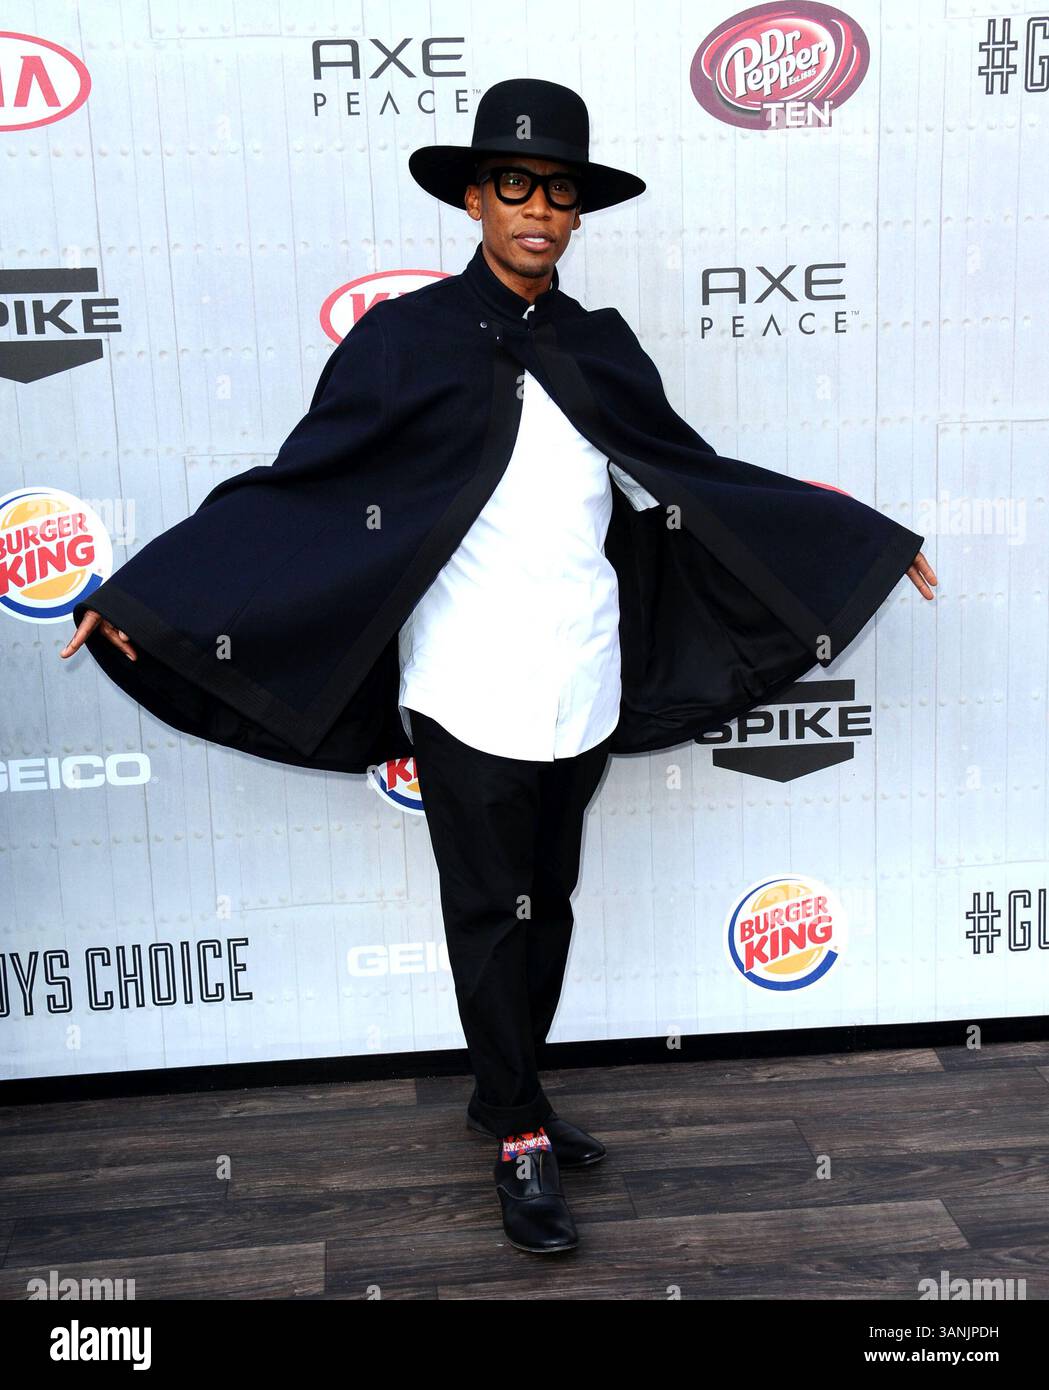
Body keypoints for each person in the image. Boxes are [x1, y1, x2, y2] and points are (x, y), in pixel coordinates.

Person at [62, 78, 937, 1256]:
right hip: (462, 689)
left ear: (576, 214)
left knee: (546, 905)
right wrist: (147, 597)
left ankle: (503, 1090)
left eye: (558, 191)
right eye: (514, 185)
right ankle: (518, 1131)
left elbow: (698, 477)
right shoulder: (404, 340)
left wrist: (862, 544)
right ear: (474, 198)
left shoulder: (596, 344)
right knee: (488, 911)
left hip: (579, 679)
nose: (536, 207)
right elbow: (298, 492)